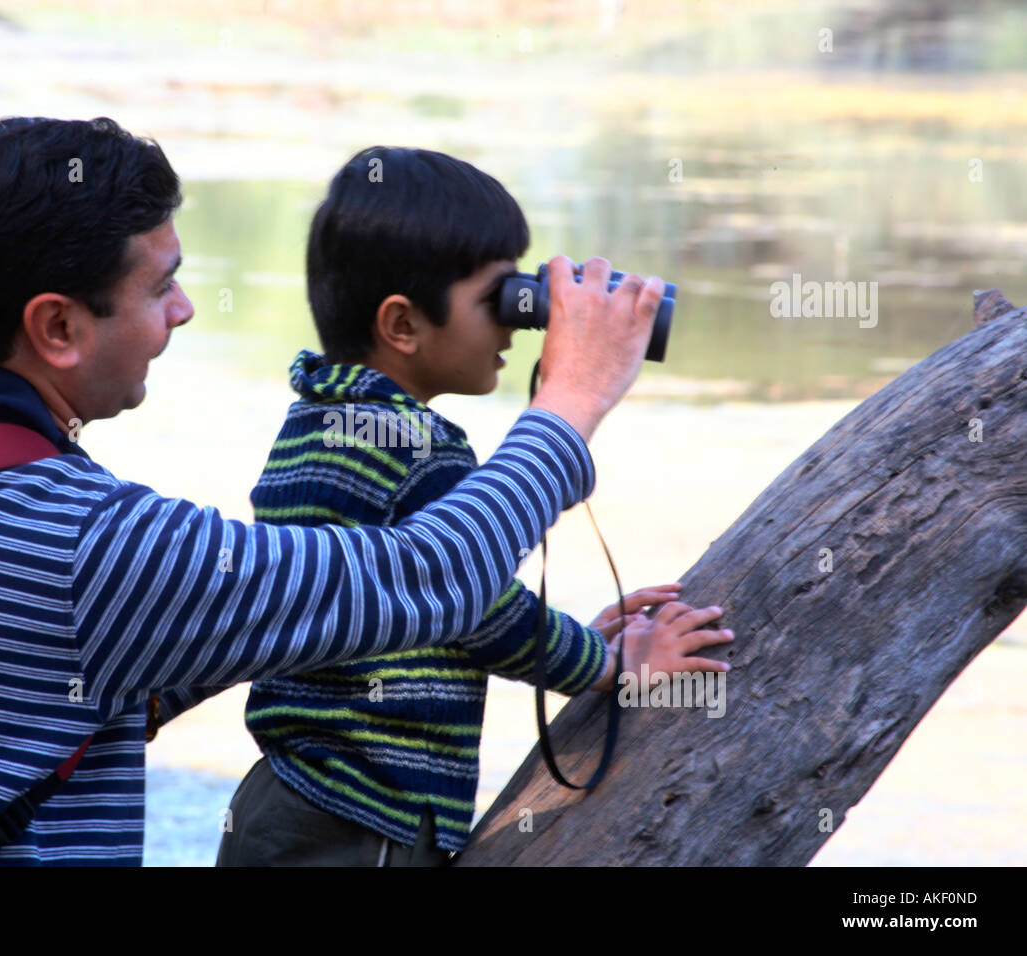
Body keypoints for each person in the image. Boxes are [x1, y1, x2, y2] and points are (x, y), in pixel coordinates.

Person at [0, 116, 674, 865]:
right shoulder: (87, 540)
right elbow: (437, 577)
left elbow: (233, 634)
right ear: (57, 329)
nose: (183, 312)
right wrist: (572, 400)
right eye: (160, 290)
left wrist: (565, 638)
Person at [214, 147, 733, 866]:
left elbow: (430, 608)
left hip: (292, 803)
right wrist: (611, 663)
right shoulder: (412, 445)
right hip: (364, 818)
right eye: (500, 298)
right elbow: (480, 608)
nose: (519, 321)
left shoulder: (320, 422)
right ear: (402, 326)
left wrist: (572, 633)